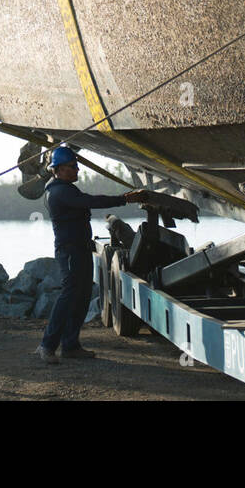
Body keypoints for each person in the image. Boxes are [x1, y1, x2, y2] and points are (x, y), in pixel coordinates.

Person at [37, 145, 145, 364]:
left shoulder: (63, 187)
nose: (77, 170)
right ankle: (47, 346)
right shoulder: (60, 191)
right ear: (57, 169)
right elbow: (91, 201)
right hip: (70, 252)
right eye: (72, 167)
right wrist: (124, 199)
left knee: (82, 296)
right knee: (69, 297)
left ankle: (71, 345)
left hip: (80, 249)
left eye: (76, 166)